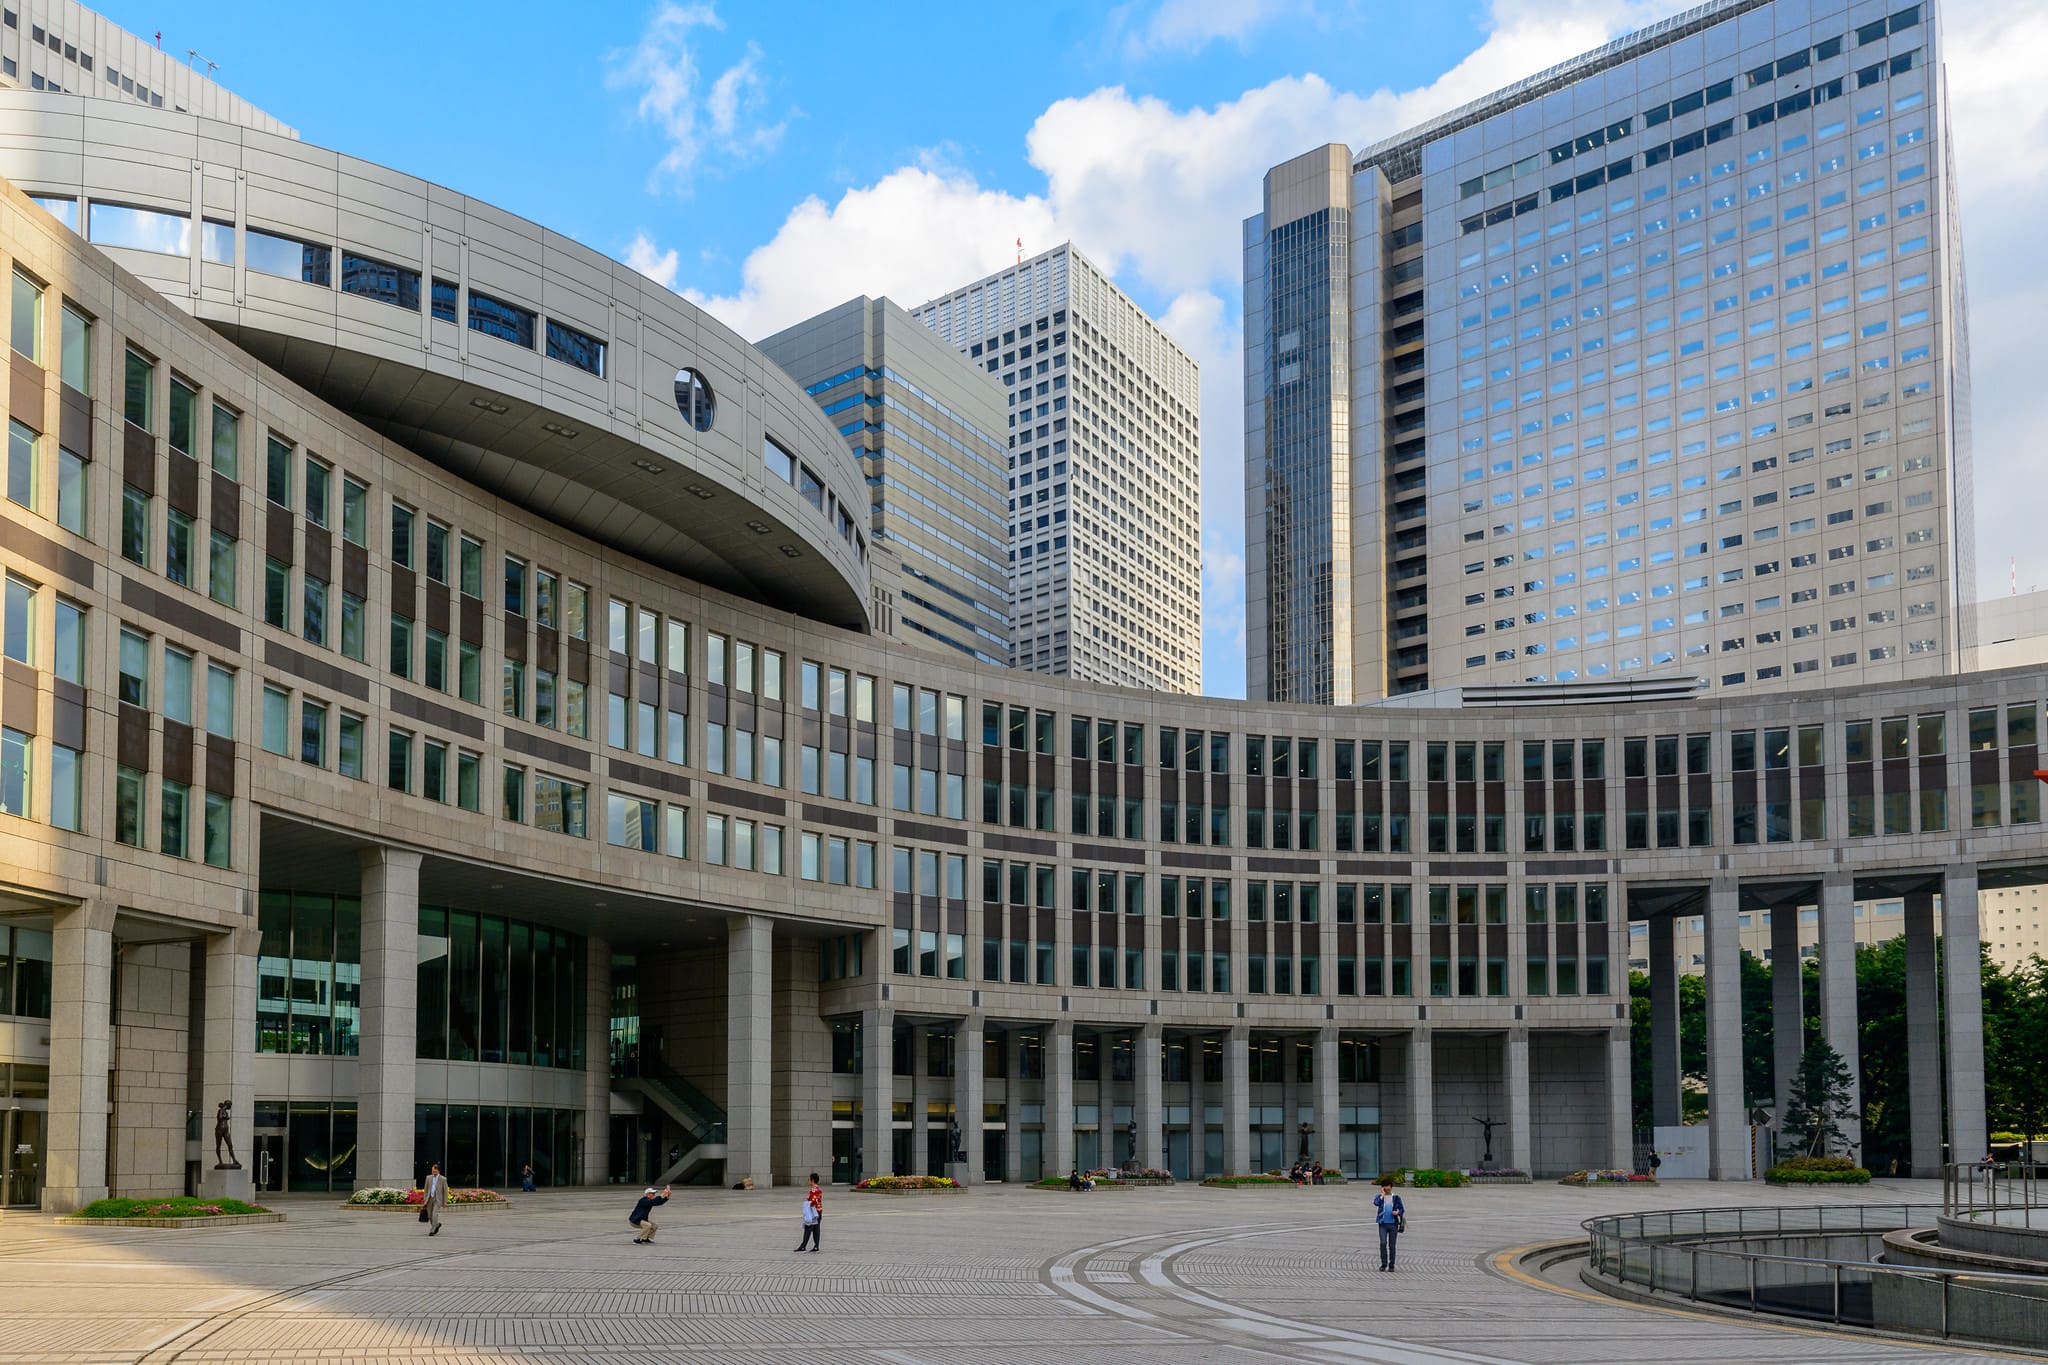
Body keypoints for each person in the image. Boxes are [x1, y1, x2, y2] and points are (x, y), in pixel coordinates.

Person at [1374, 1179, 1405, 1272]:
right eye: (1384, 1186)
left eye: (1388, 1186)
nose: (1387, 1188)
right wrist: (1382, 1195)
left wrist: (1397, 1212)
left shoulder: (1396, 1198)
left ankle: (1391, 1264)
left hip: (1393, 1224)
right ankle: (1384, 1263)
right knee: (1383, 1243)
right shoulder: (1379, 1197)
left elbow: (1401, 1209)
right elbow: (1376, 1203)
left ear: (1391, 1187)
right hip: (1382, 1224)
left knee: (1392, 1245)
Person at [795, 1172, 823, 1252]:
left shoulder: (814, 1190)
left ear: (812, 1180)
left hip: (813, 1212)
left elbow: (813, 1202)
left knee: (808, 1228)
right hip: (819, 1211)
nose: (808, 1181)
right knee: (816, 1229)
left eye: (809, 1179)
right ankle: (816, 1246)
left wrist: (807, 1204)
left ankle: (803, 1246)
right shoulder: (818, 1190)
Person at [423, 1162, 447, 1237]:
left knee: (434, 1215)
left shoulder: (443, 1179)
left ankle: (432, 1230)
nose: (433, 1172)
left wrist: (445, 1202)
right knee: (430, 1216)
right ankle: (436, 1225)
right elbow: (426, 1189)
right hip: (429, 1199)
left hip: (438, 1200)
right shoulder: (428, 1178)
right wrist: (425, 1200)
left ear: (438, 1171)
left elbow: (445, 1191)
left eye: (435, 1171)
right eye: (432, 1171)